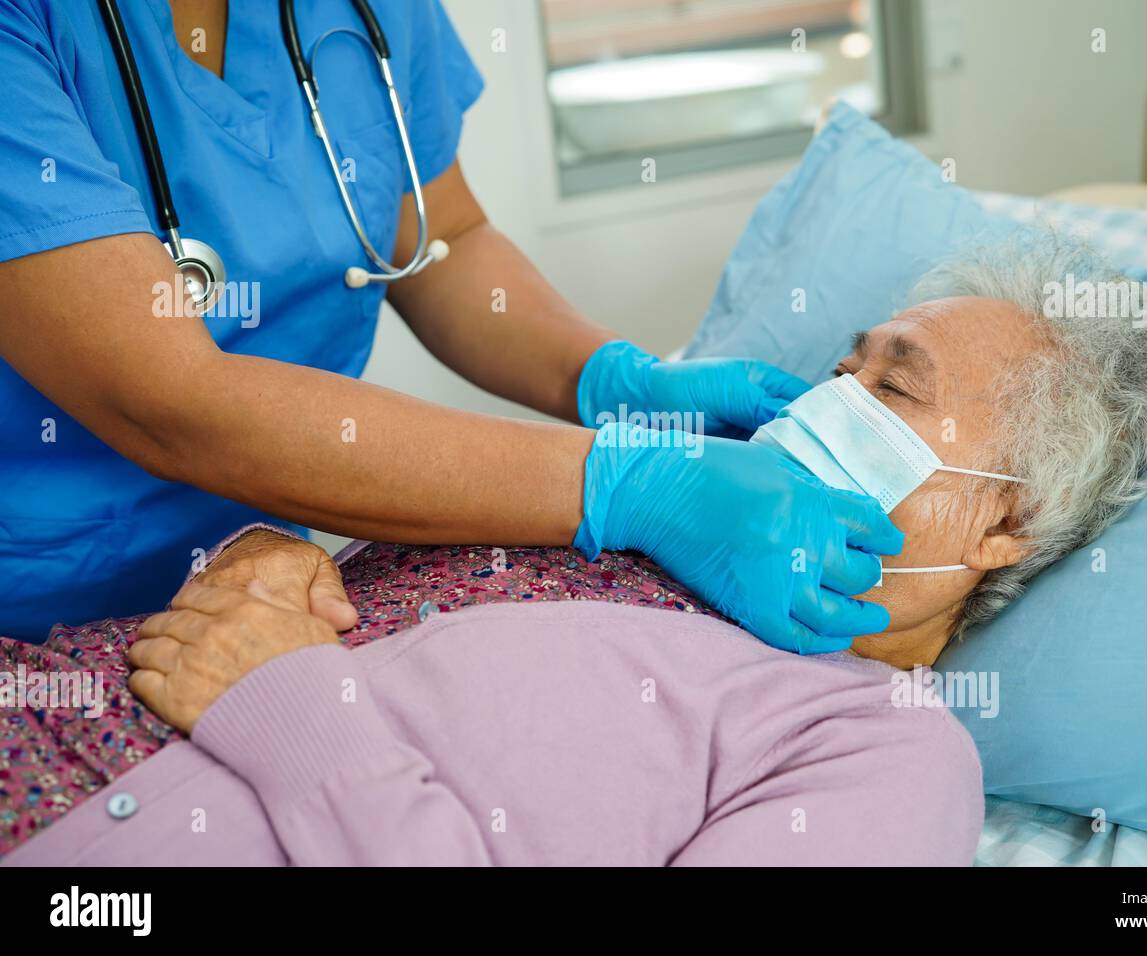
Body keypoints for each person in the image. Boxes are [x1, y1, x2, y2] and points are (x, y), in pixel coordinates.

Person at [0, 234, 1147, 865]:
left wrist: (293, 707)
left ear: (1005, 520)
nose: (829, 396)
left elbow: (294, 691)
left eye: (894, 388)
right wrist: (269, 544)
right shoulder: (646, 511)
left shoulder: (884, 750)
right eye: (841, 364)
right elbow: (325, 531)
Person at [0, 0, 895, 653]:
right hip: (35, 610)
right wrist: (627, 483)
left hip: (272, 576)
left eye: (897, 386)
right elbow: (170, 400)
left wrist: (610, 378)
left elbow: (446, 240)